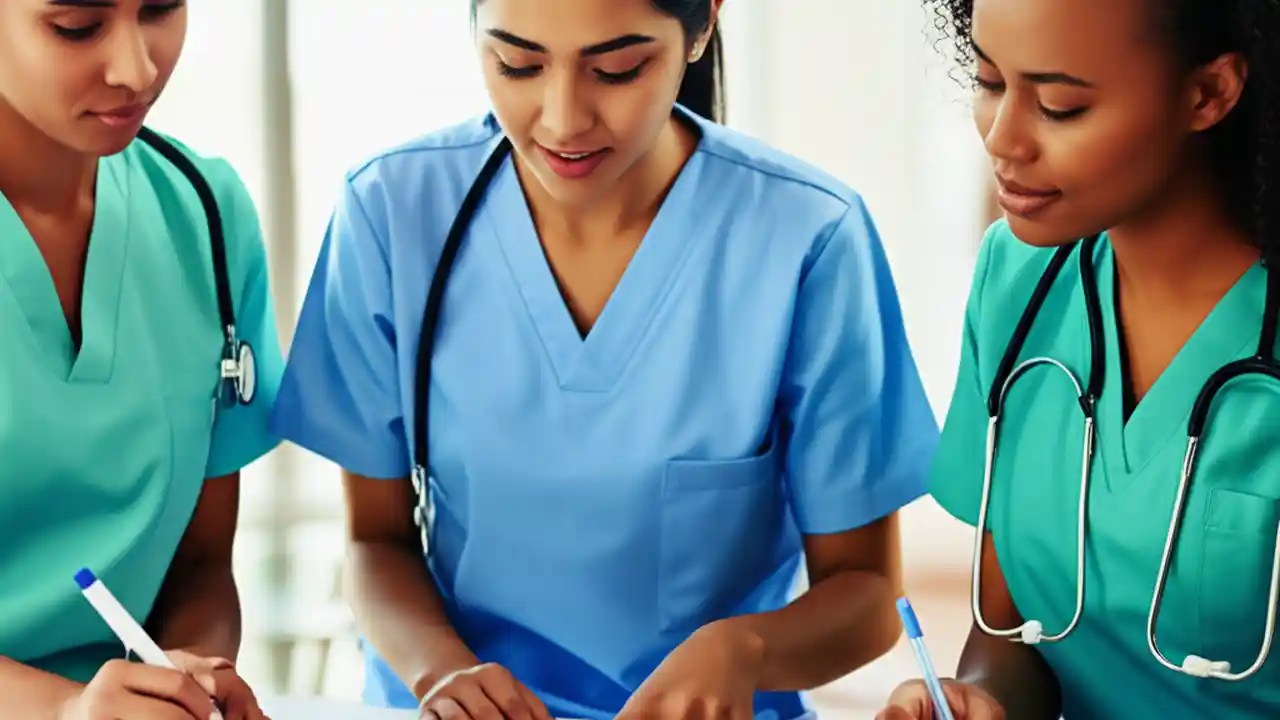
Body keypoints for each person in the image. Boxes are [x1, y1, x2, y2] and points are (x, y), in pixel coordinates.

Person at [269, 0, 939, 718]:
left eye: (617, 68)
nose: (562, 119)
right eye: (517, 63)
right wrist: (440, 676)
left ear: (703, 24)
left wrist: (745, 650)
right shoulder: (392, 213)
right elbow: (375, 541)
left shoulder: (807, 240)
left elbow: (866, 591)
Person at [878, 0, 1280, 718]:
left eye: (1060, 106)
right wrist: (978, 702)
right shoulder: (1018, 279)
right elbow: (1012, 635)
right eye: (990, 82)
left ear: (1208, 94)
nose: (1002, 140)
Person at [0, 1, 282, 718]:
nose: (138, 69)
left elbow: (202, 564)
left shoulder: (205, 214)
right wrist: (63, 710)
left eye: (160, 8)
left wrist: (192, 681)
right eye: (76, 25)